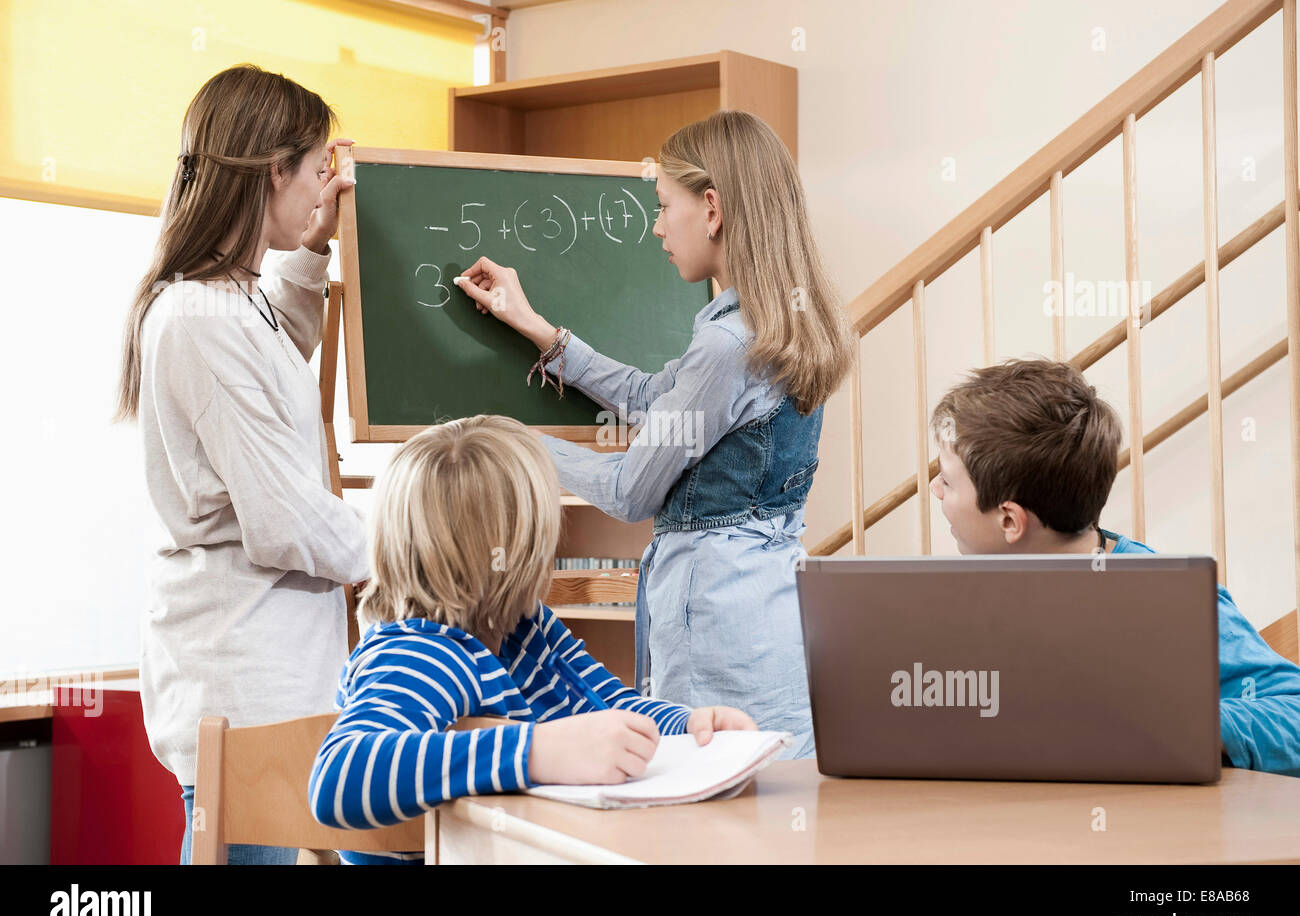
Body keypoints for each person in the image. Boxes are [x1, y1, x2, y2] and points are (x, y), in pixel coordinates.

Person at [453, 110, 854, 759]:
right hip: (771, 624)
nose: (658, 225)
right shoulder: (782, 324)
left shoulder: (727, 345)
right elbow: (652, 398)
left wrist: (513, 442)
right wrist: (542, 334)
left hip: (715, 634)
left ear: (713, 208)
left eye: (665, 205)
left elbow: (629, 490)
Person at [114, 64, 367, 864]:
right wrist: (409, 554)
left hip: (272, 673)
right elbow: (284, 516)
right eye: (317, 167)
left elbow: (278, 356)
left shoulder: (230, 299)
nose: (324, 185)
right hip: (244, 675)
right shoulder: (198, 318)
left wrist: (316, 243)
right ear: (272, 171)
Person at [308, 415, 758, 863]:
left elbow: (606, 701)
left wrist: (686, 727)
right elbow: (339, 777)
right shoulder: (417, 653)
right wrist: (538, 752)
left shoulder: (526, 626)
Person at [928, 358, 1300, 776]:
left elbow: (1295, 714)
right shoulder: (966, 600)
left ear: (1010, 521)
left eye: (947, 480)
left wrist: (1181, 724)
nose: (935, 490)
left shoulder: (1168, 600)